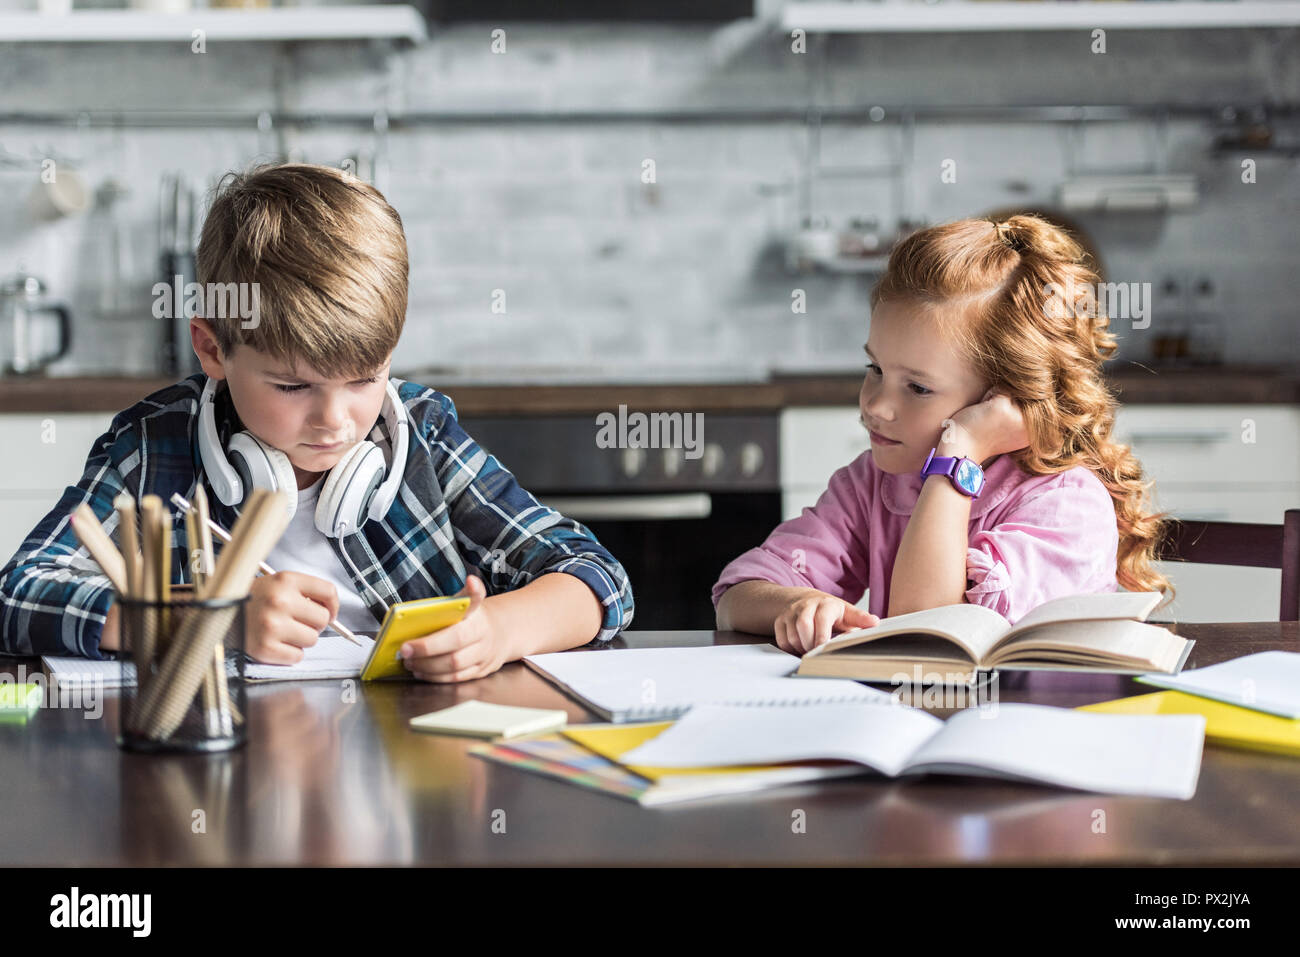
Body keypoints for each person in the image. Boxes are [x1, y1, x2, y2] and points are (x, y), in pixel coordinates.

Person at [0, 163, 634, 682]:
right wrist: (209, 621)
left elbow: (597, 577)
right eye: (292, 385)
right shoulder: (153, 444)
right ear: (213, 348)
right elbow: (17, 596)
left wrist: (497, 631)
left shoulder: (423, 437)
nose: (335, 420)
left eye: (365, 378)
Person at [713, 215, 1168, 655]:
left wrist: (959, 453)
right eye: (875, 369)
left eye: (918, 388)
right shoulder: (873, 482)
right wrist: (795, 605)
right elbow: (736, 598)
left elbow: (928, 635)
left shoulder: (1067, 505)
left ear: (1007, 397)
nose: (874, 405)